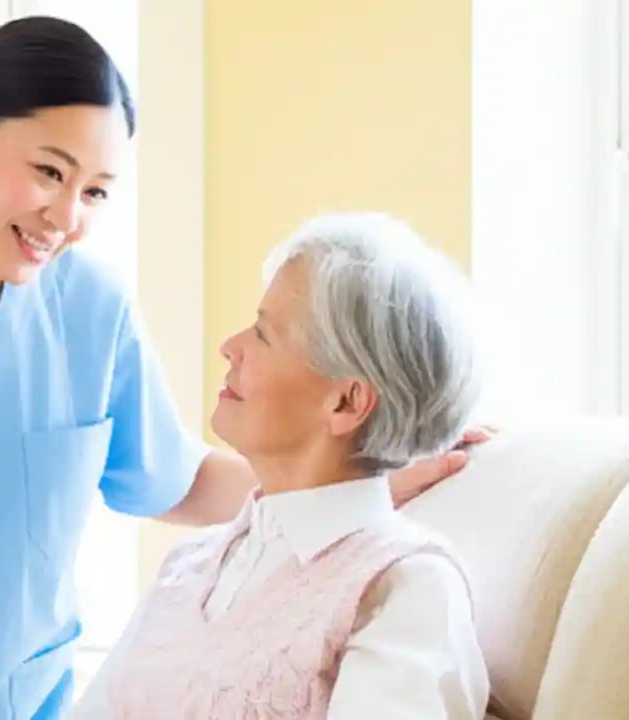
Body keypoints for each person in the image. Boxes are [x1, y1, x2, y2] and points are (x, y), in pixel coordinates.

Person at [0, 16, 484, 720]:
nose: (66, 217)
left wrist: (361, 478)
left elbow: (177, 481)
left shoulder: (91, 308)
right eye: (49, 173)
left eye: (93, 192)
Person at [72, 213, 490, 719]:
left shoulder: (404, 591)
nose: (231, 347)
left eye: (265, 335)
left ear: (345, 403)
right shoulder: (190, 566)